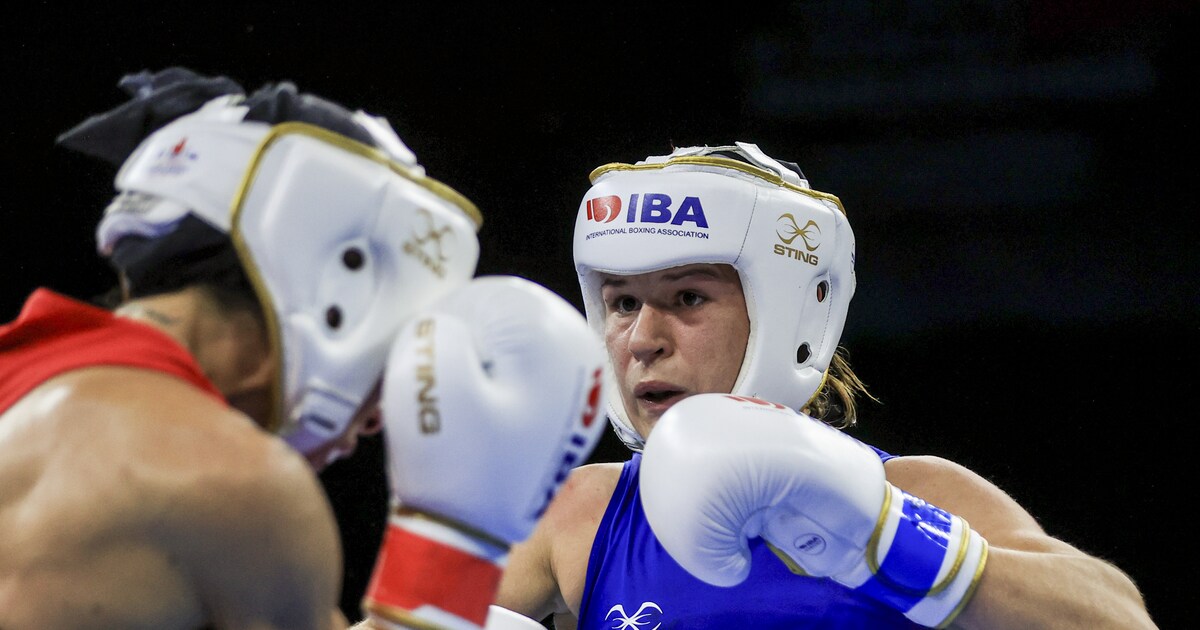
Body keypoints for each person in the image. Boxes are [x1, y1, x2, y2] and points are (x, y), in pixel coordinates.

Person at [494, 142, 1157, 628]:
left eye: (688, 296)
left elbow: (1120, 619)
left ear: (787, 316)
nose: (642, 340)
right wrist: (431, 509)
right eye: (622, 304)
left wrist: (887, 540)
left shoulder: (915, 493)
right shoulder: (577, 514)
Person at [0, 67, 484, 629]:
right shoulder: (236, 487)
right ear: (336, 283)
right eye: (395, 341)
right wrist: (459, 535)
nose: (380, 414)